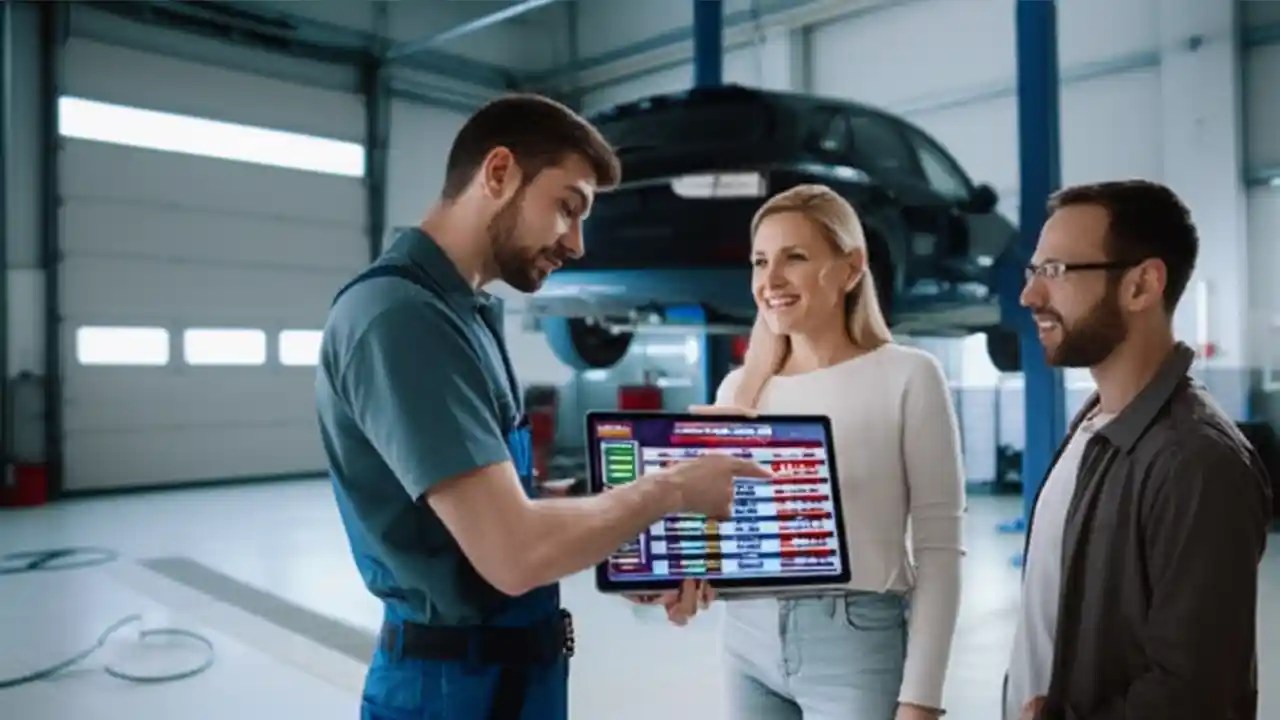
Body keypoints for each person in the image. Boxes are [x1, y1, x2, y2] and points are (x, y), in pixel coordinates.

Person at [314, 93, 771, 720]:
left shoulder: (462, 314)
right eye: (568, 207)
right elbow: (512, 551)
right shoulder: (401, 319)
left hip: (504, 677)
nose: (578, 243)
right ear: (498, 173)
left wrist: (626, 538)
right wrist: (671, 492)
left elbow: (494, 514)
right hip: (454, 694)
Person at [639, 184, 967, 720]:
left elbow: (940, 547)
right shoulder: (738, 391)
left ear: (851, 268)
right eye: (760, 261)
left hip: (856, 641)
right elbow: (719, 537)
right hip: (747, 639)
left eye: (795, 258)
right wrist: (687, 575)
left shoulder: (908, 376)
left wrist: (921, 700)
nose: (770, 281)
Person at [1004, 179, 1273, 720]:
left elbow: (1196, 694)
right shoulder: (1096, 424)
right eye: (1034, 272)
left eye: (1054, 272)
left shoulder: (1196, 461)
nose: (1029, 295)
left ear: (1141, 286)